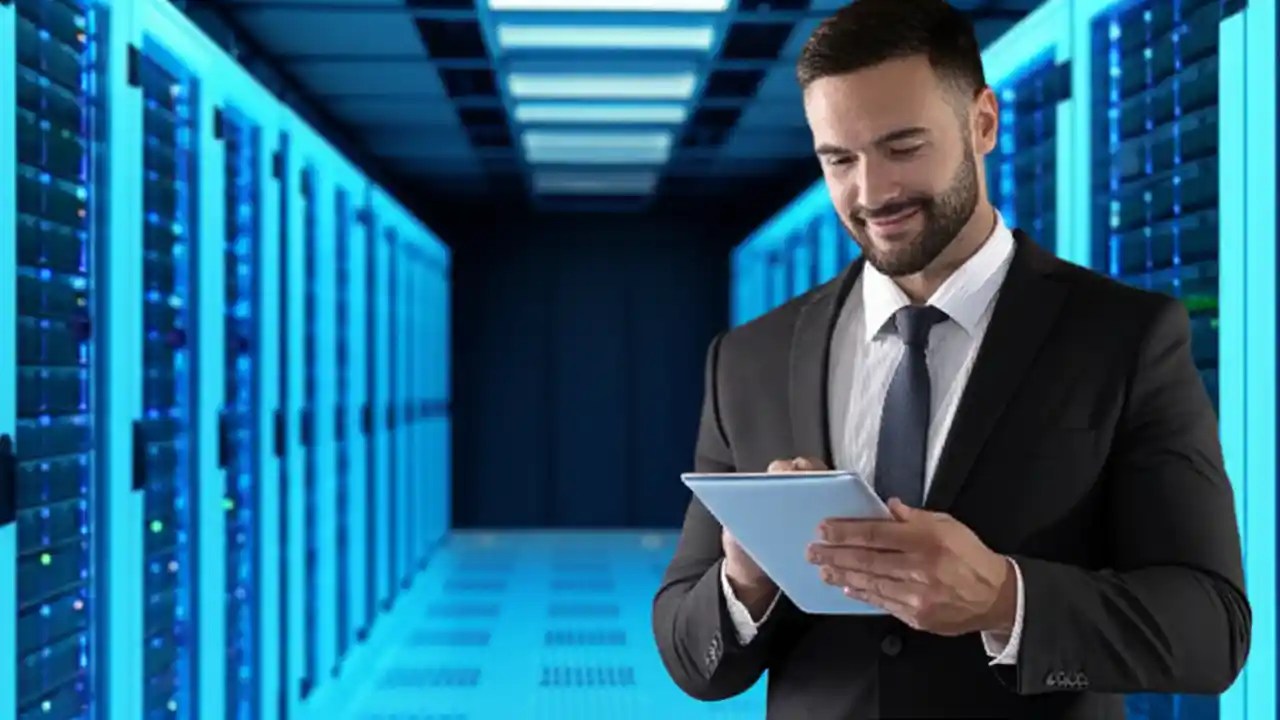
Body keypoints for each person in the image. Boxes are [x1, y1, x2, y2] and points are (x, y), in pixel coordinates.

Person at [650, 0, 1251, 717]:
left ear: (983, 124)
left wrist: (1003, 598)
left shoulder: (1124, 338)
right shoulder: (748, 361)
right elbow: (690, 657)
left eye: (903, 148)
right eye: (840, 160)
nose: (871, 192)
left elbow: (1212, 630)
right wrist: (745, 583)